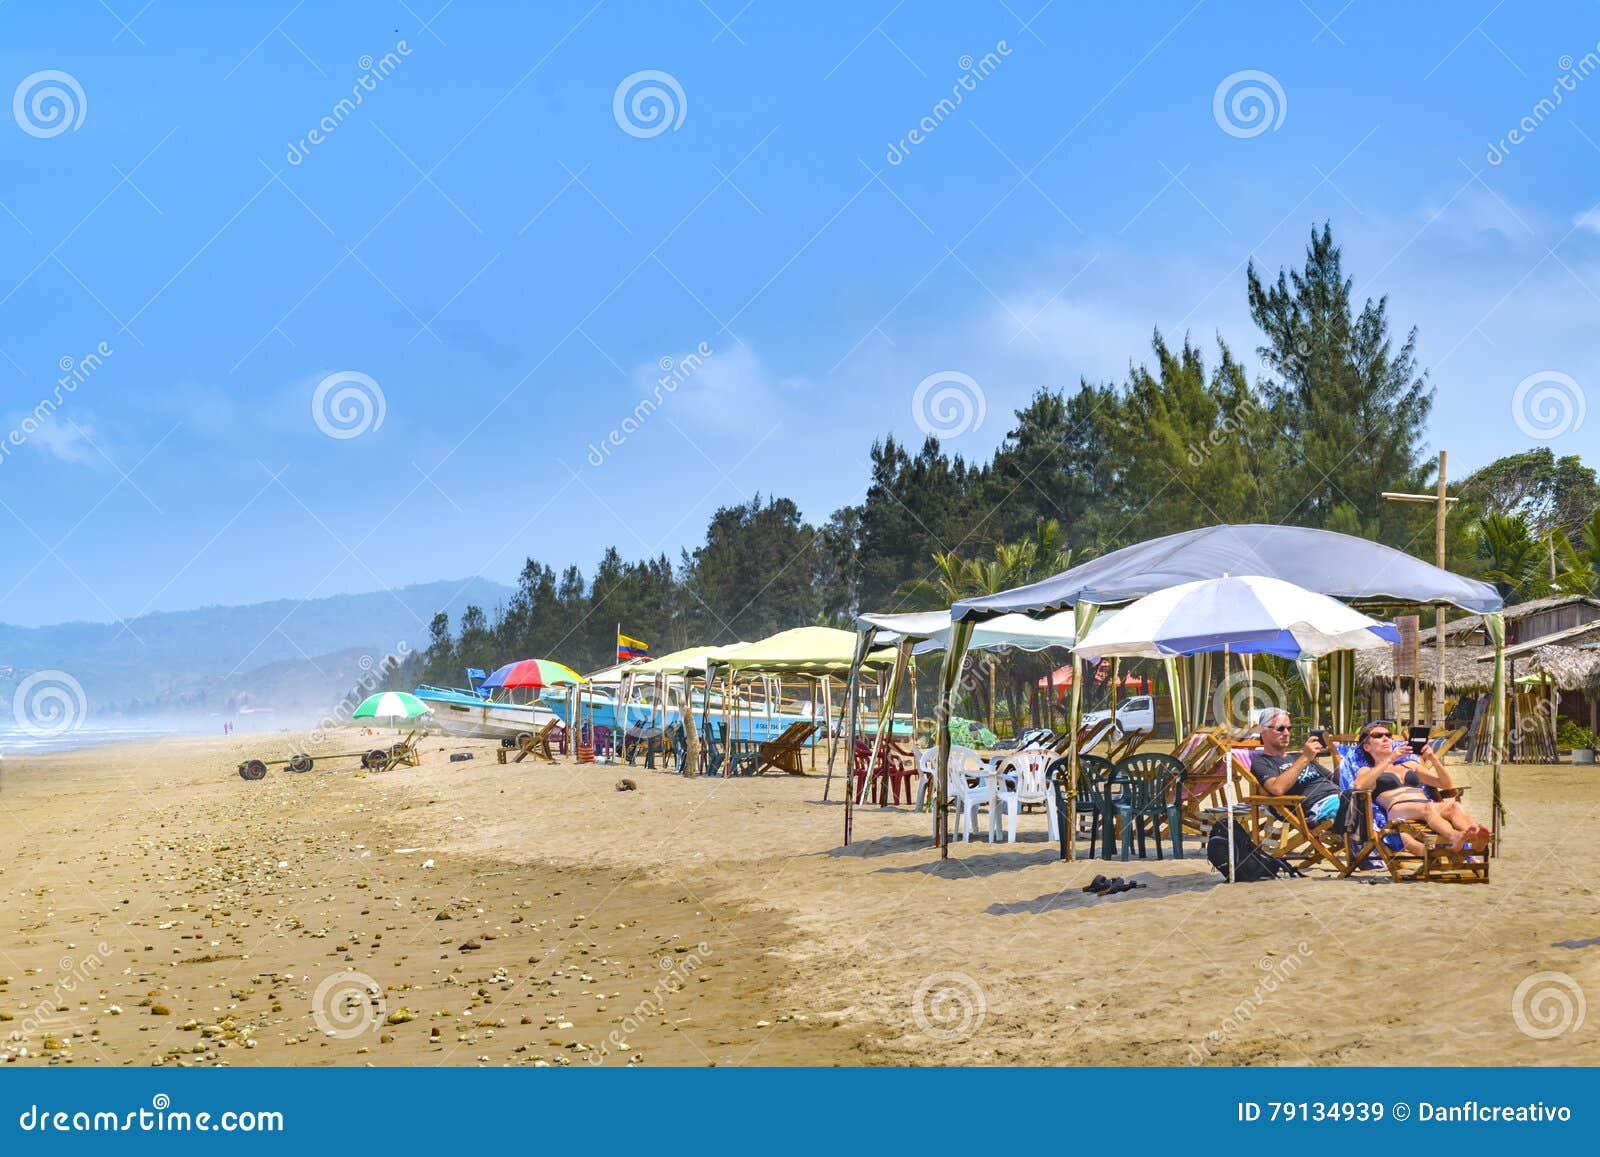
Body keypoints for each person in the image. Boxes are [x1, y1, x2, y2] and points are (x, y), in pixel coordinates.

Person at [1345, 719, 1491, 851]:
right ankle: (1454, 836)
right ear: (1367, 747)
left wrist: (1432, 758)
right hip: (1398, 809)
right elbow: (1359, 786)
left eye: (1388, 735)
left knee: (1454, 807)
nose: (1385, 738)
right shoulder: (1367, 770)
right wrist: (1390, 759)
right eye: (1378, 736)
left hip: (1425, 806)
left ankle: (1477, 838)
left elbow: (1447, 785)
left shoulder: (1410, 765)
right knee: (1427, 808)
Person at [1250, 710, 1341, 827]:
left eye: (1289, 728)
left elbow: (1336, 781)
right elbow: (1277, 789)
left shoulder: (1298, 756)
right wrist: (1305, 757)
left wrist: (1336, 755)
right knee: (1358, 809)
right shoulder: (1261, 762)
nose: (1286, 733)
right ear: (1263, 731)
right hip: (1319, 808)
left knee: (1362, 798)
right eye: (1280, 728)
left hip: (1340, 797)